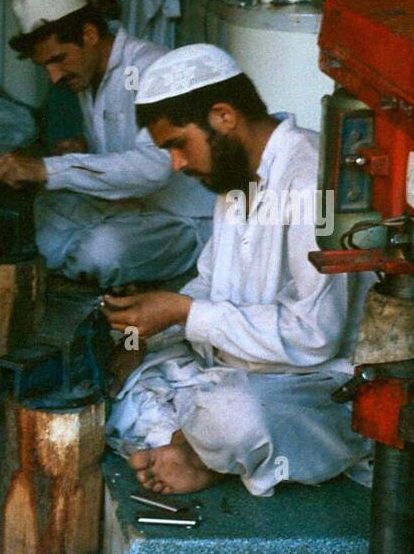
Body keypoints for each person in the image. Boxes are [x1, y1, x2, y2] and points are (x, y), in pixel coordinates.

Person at [103, 44, 370, 497]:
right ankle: (191, 445)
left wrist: (184, 313)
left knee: (233, 415)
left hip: (313, 382)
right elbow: (210, 283)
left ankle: (200, 451)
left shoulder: (311, 181)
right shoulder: (235, 177)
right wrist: (155, 327)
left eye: (178, 145)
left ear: (223, 116)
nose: (176, 164)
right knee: (125, 373)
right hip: (228, 363)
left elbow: (314, 335)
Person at [0, 0, 214, 287]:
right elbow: (122, 144)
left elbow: (155, 168)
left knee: (100, 253)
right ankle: (59, 263)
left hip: (176, 217)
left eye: (58, 60)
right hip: (116, 204)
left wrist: (50, 169)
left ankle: (54, 265)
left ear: (89, 34)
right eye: (45, 67)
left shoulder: (153, 69)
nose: (53, 77)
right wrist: (83, 150)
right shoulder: (86, 73)